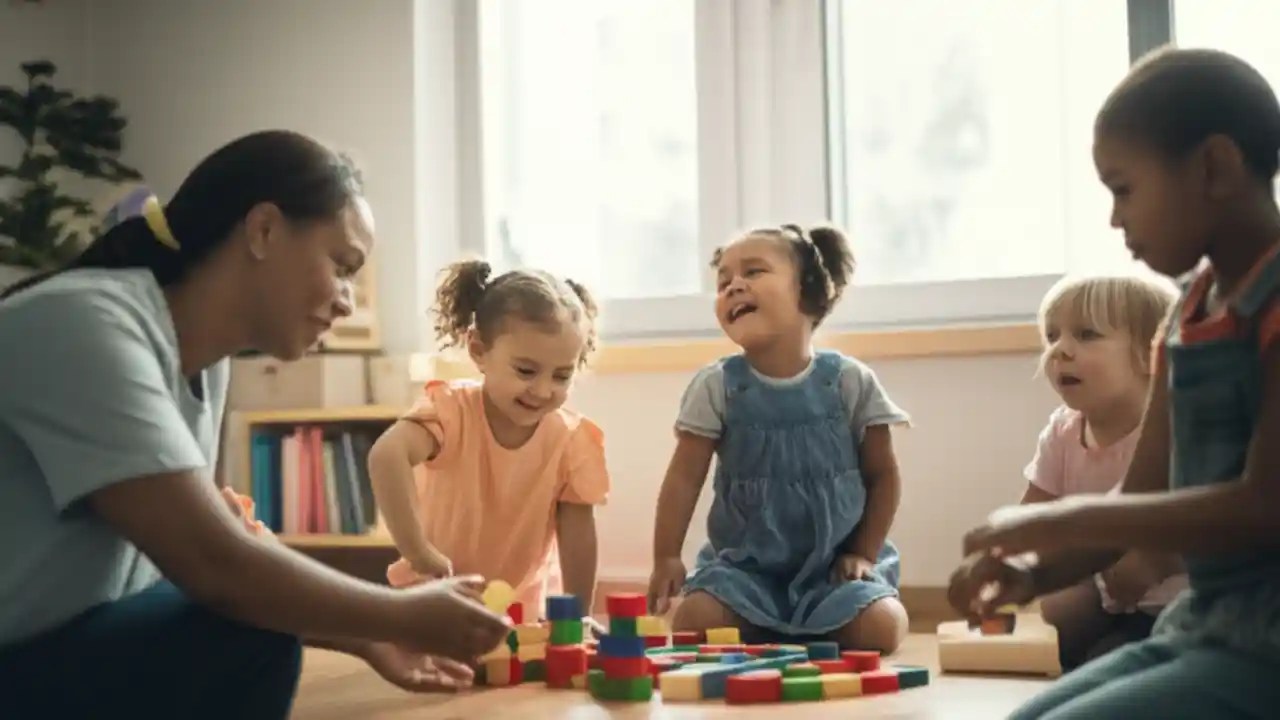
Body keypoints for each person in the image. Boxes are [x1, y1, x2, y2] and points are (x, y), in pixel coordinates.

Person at [0, 130, 511, 720]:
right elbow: (214, 565)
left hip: (67, 636)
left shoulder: (206, 362)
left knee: (248, 619)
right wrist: (396, 615)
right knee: (247, 637)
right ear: (264, 230)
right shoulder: (83, 327)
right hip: (25, 654)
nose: (347, 301)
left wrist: (367, 635)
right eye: (341, 266)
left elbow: (222, 541)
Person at [949, 47, 1280, 718]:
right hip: (1205, 624)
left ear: (1213, 167)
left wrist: (1066, 514)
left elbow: (1262, 507)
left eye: (1123, 189)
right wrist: (1032, 576)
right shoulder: (1185, 320)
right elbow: (1143, 496)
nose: (1114, 218)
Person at [648, 224, 911, 653]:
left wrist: (863, 553)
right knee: (693, 621)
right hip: (744, 571)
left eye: (753, 272)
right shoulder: (717, 386)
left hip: (834, 570)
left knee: (883, 627)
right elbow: (682, 480)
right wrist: (667, 556)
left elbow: (883, 476)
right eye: (723, 281)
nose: (734, 285)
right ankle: (780, 624)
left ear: (807, 293)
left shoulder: (849, 382)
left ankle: (800, 624)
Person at [369, 260, 609, 625]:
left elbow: (578, 533)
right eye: (526, 371)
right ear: (479, 350)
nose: (544, 390)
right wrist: (417, 551)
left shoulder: (571, 438)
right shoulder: (450, 411)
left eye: (562, 375)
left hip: (520, 610)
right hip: (434, 596)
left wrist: (578, 615)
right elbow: (387, 455)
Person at [1018, 275, 1185, 669]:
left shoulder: (1175, 428)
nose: (1060, 350)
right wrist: (1008, 562)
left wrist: (1154, 560)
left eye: (1086, 335)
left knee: (1111, 659)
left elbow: (1216, 526)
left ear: (1152, 354)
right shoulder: (1063, 430)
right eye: (1052, 336)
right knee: (1056, 611)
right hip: (1105, 589)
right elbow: (1031, 518)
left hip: (1177, 598)